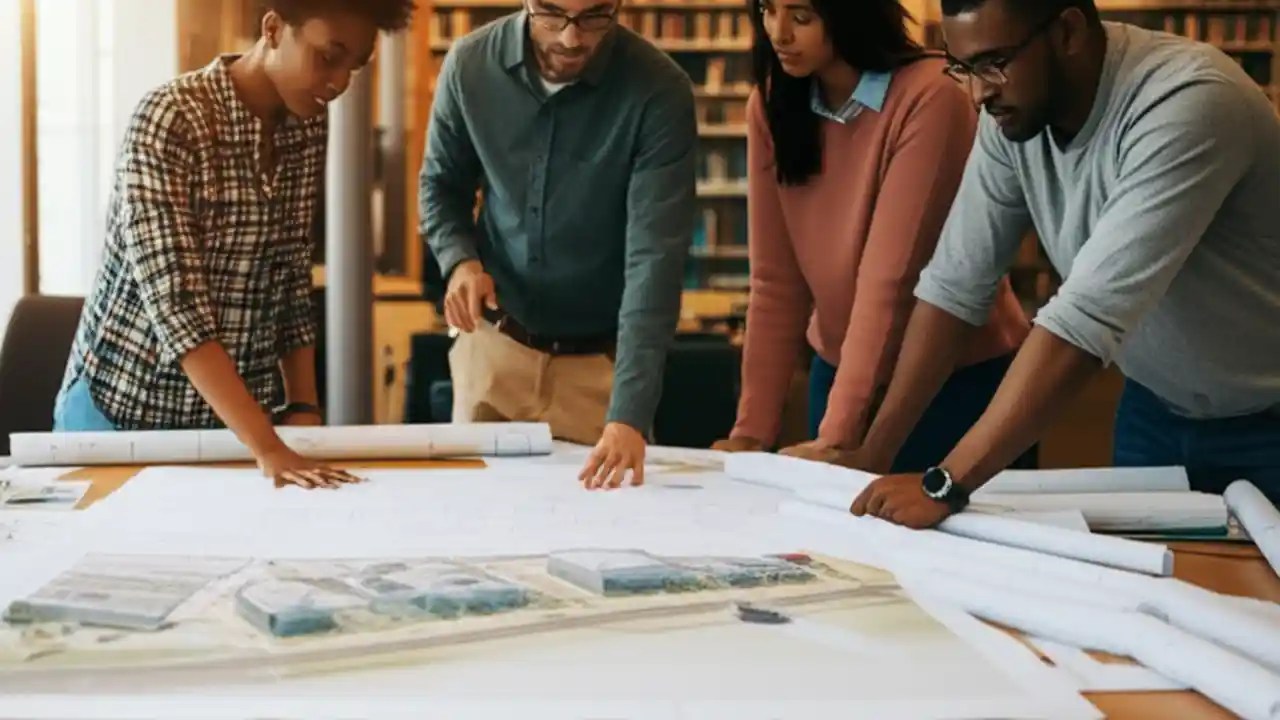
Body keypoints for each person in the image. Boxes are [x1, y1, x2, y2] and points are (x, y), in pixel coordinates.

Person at [846, 0, 1280, 527]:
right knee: (1149, 597)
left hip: (1268, 422)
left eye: (993, 62)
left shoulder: (1189, 101)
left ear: (1069, 31)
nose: (978, 93)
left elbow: (1085, 318)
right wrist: (870, 458)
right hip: (1155, 408)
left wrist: (945, 483)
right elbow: (954, 287)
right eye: (962, 67)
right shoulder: (1015, 113)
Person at [53, 0, 418, 489]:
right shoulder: (171, 118)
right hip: (124, 413)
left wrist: (303, 407)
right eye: (327, 57)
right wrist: (268, 446)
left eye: (353, 66)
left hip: (233, 427)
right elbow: (176, 307)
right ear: (272, 29)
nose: (339, 82)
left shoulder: (306, 121)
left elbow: (290, 272)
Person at [710, 0, 1028, 471]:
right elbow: (775, 281)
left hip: (953, 385)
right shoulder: (773, 102)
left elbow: (891, 279)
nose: (778, 33)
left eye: (801, 16)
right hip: (838, 373)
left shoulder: (931, 94)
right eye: (767, 10)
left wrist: (839, 436)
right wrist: (752, 432)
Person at [420, 0, 697, 490]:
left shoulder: (659, 89)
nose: (571, 39)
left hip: (599, 369)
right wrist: (460, 261)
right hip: (495, 349)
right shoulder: (468, 65)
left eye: (594, 16)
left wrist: (629, 415)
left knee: (605, 534)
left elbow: (654, 259)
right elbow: (441, 186)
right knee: (478, 527)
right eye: (550, 14)